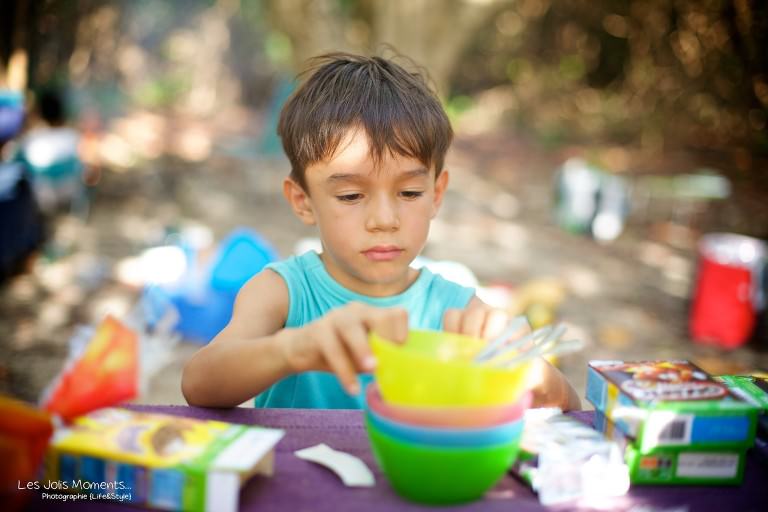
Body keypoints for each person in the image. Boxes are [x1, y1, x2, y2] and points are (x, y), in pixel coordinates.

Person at [182, 52, 581, 411]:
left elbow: (569, 404)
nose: (384, 219)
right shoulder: (283, 293)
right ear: (303, 201)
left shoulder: (454, 307)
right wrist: (294, 349)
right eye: (351, 196)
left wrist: (525, 368)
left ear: (436, 194)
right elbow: (198, 383)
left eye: (409, 192)